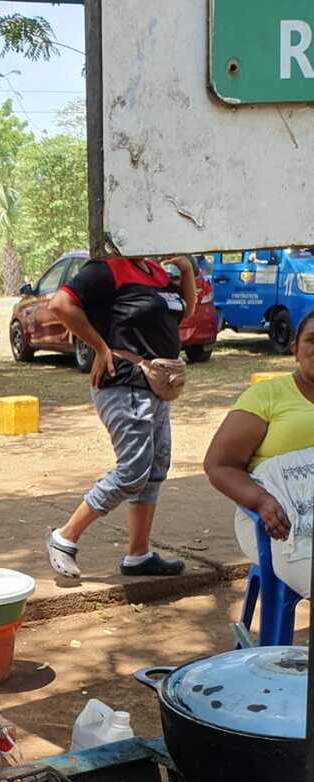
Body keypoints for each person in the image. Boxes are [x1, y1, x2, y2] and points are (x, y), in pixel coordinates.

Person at [45, 254, 197, 581]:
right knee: (133, 470)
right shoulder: (107, 268)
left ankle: (138, 555)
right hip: (124, 381)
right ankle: (64, 537)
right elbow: (59, 305)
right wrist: (100, 348)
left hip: (157, 384)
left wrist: (185, 269)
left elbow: (185, 310)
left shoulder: (155, 271)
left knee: (155, 467)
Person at [204, 311, 314, 598]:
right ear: (295, 350)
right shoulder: (268, 395)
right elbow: (220, 464)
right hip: (279, 523)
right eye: (312, 340)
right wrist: (261, 500)